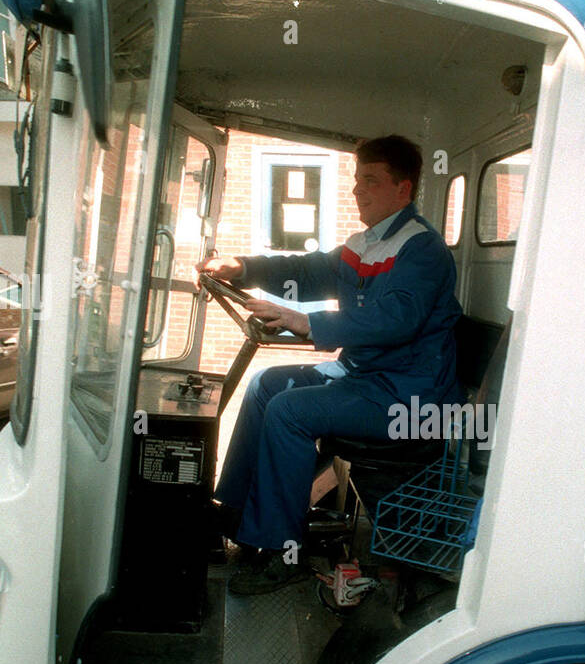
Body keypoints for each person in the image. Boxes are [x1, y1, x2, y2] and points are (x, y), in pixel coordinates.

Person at [197, 135, 463, 595]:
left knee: (290, 411)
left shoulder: (422, 249)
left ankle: (285, 549)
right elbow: (310, 270)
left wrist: (307, 321)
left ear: (404, 189)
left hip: (407, 396)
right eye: (357, 179)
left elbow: (397, 318)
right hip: (368, 378)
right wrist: (243, 269)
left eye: (371, 181)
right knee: (266, 385)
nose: (358, 190)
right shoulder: (367, 243)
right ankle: (237, 511)